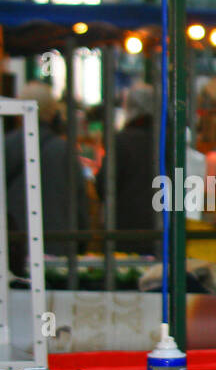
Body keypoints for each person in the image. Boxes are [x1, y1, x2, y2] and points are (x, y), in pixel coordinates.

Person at [4, 81, 89, 269]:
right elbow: (80, 200)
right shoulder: (64, 149)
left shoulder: (6, 146)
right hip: (58, 246)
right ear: (52, 111)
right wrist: (81, 240)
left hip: (16, 249)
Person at [95, 85, 161, 257]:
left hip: (126, 229)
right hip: (162, 230)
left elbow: (104, 185)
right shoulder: (168, 141)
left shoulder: (122, 141)